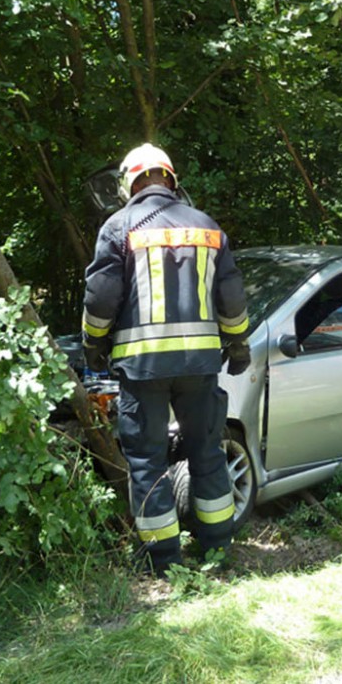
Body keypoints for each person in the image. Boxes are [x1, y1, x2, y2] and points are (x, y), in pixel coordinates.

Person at [81, 143, 251, 577]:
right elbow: (230, 297)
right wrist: (238, 345)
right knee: (208, 454)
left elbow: (101, 298)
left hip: (143, 370)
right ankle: (217, 553)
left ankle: (166, 565)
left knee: (147, 464)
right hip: (199, 367)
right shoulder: (208, 227)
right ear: (171, 180)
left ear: (129, 184)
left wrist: (92, 344)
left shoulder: (118, 227)